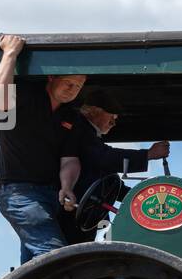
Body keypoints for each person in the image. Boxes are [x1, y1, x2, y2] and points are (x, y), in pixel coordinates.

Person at [0, 34, 85, 263]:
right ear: (51, 77)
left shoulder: (71, 117)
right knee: (56, 258)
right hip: (19, 194)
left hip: (49, 197)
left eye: (79, 86)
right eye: (69, 82)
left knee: (33, 266)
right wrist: (10, 53)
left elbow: (69, 159)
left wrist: (67, 187)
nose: (73, 89)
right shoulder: (27, 95)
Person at [59, 91, 172, 243]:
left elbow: (110, 183)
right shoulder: (80, 128)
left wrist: (144, 198)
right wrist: (148, 154)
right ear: (94, 111)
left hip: (86, 214)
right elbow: (103, 158)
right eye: (111, 117)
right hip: (72, 210)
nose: (113, 123)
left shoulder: (89, 135)